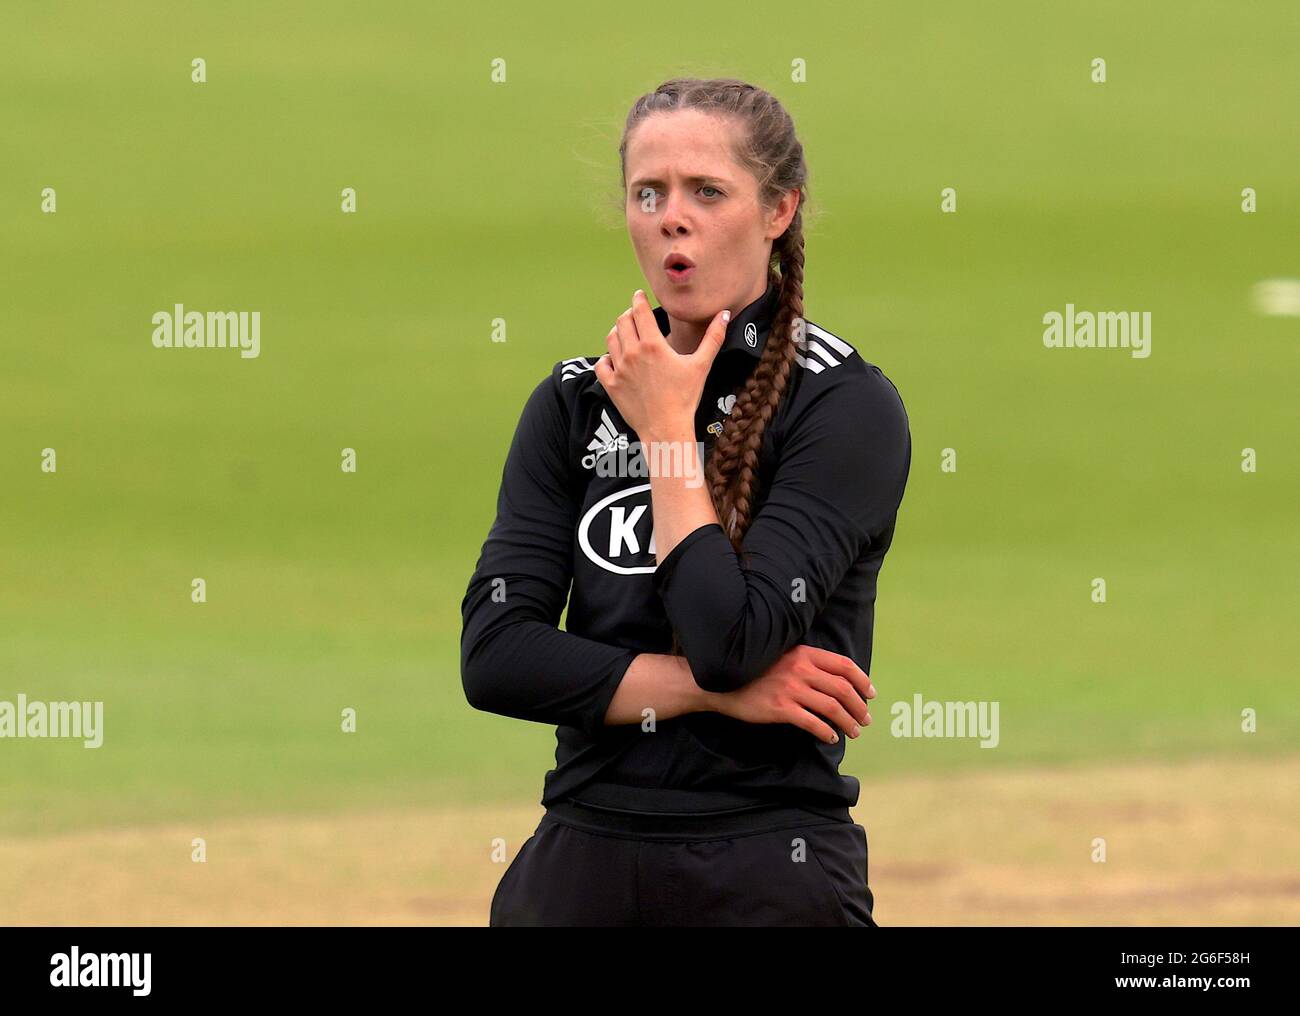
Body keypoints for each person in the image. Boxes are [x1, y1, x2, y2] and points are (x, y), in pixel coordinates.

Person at [460, 77, 911, 926]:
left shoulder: (842, 407)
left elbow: (729, 639)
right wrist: (708, 694)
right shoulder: (570, 403)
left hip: (768, 870)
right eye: (649, 193)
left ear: (779, 211)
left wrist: (668, 428)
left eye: (708, 192)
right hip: (579, 866)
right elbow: (495, 656)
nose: (674, 217)